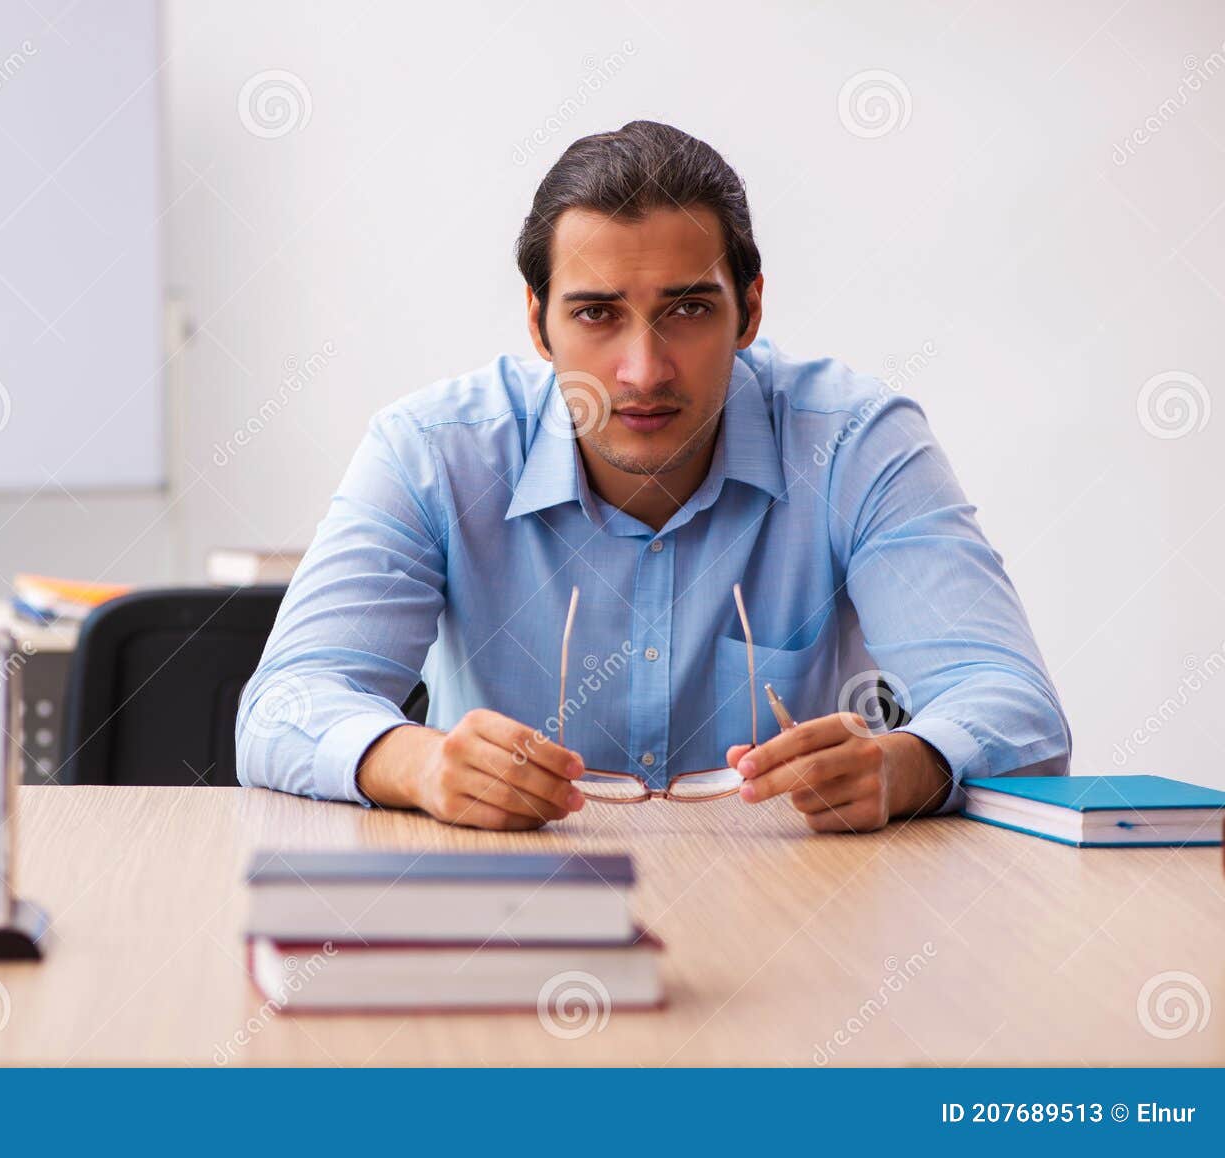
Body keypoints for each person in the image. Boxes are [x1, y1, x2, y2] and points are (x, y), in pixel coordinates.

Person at [236, 120, 1070, 832]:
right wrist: (415, 764)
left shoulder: (855, 443)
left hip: (797, 919)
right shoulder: (434, 451)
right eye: (597, 313)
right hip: (508, 908)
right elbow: (284, 708)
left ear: (750, 310)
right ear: (538, 322)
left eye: (688, 311)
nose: (641, 371)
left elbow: (1015, 708)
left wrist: (909, 765)